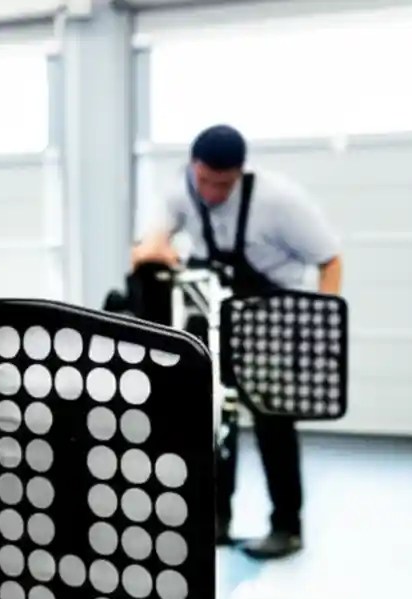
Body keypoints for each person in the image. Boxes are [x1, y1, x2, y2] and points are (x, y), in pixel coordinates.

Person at [132, 124, 343, 560]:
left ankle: (287, 526)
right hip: (215, 314)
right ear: (193, 167)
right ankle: (215, 520)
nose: (211, 192)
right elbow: (147, 247)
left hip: (271, 317)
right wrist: (157, 250)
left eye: (223, 184)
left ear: (241, 173)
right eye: (204, 180)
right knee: (212, 418)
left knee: (273, 421)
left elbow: (330, 260)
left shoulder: (279, 202)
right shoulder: (180, 191)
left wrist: (320, 329)